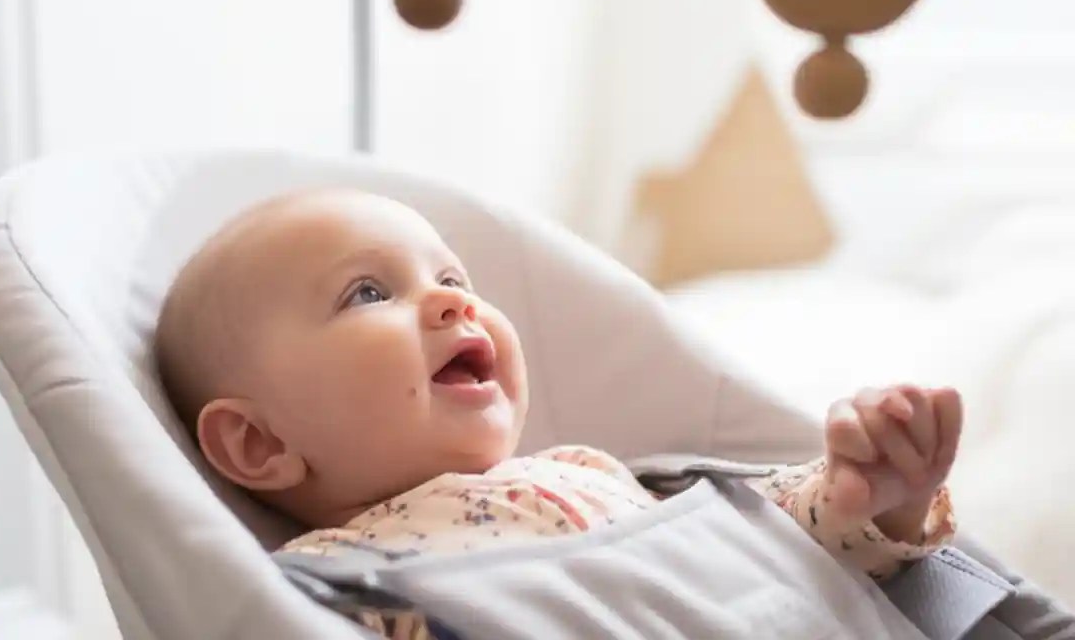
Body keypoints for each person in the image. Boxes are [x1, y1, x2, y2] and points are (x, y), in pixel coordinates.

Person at [154, 188, 960, 639]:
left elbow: (769, 556)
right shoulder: (337, 579)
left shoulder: (587, 472)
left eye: (455, 279)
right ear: (259, 442)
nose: (449, 301)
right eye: (368, 293)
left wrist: (869, 498)